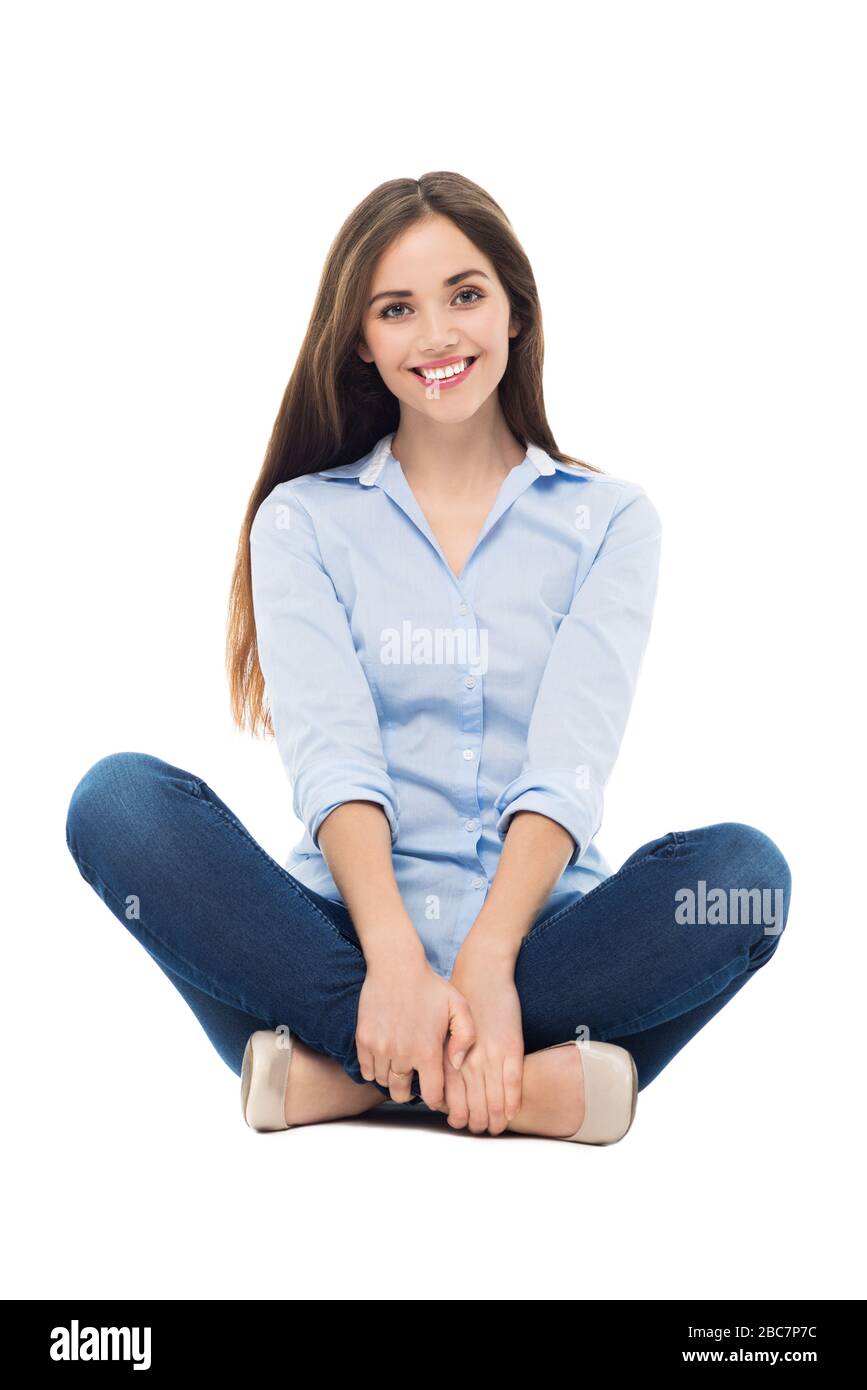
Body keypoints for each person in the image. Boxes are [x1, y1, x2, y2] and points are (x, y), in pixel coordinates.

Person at [65, 172, 792, 1145]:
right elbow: (335, 760)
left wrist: (488, 960)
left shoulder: (610, 521)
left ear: (515, 312)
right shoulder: (305, 522)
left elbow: (569, 762)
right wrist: (397, 962)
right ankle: (524, 1087)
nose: (438, 334)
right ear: (361, 341)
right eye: (397, 309)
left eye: (465, 294)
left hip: (541, 951)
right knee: (118, 803)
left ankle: (351, 1081)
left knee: (748, 877)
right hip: (341, 948)